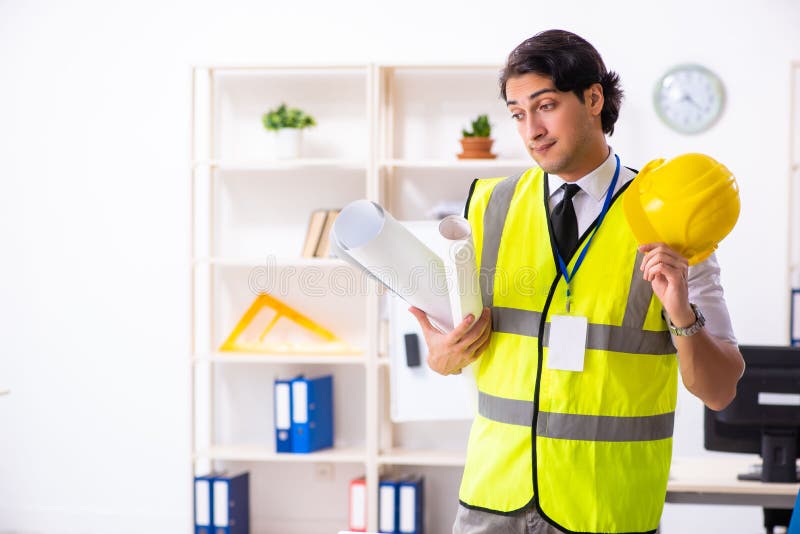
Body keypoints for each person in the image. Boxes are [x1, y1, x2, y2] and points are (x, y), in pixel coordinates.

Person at [408, 29, 745, 534]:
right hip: (491, 504)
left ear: (593, 99)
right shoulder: (487, 207)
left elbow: (720, 391)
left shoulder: (669, 215)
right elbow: (447, 353)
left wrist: (680, 315)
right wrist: (443, 356)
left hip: (605, 511)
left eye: (545, 106)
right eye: (518, 113)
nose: (531, 130)